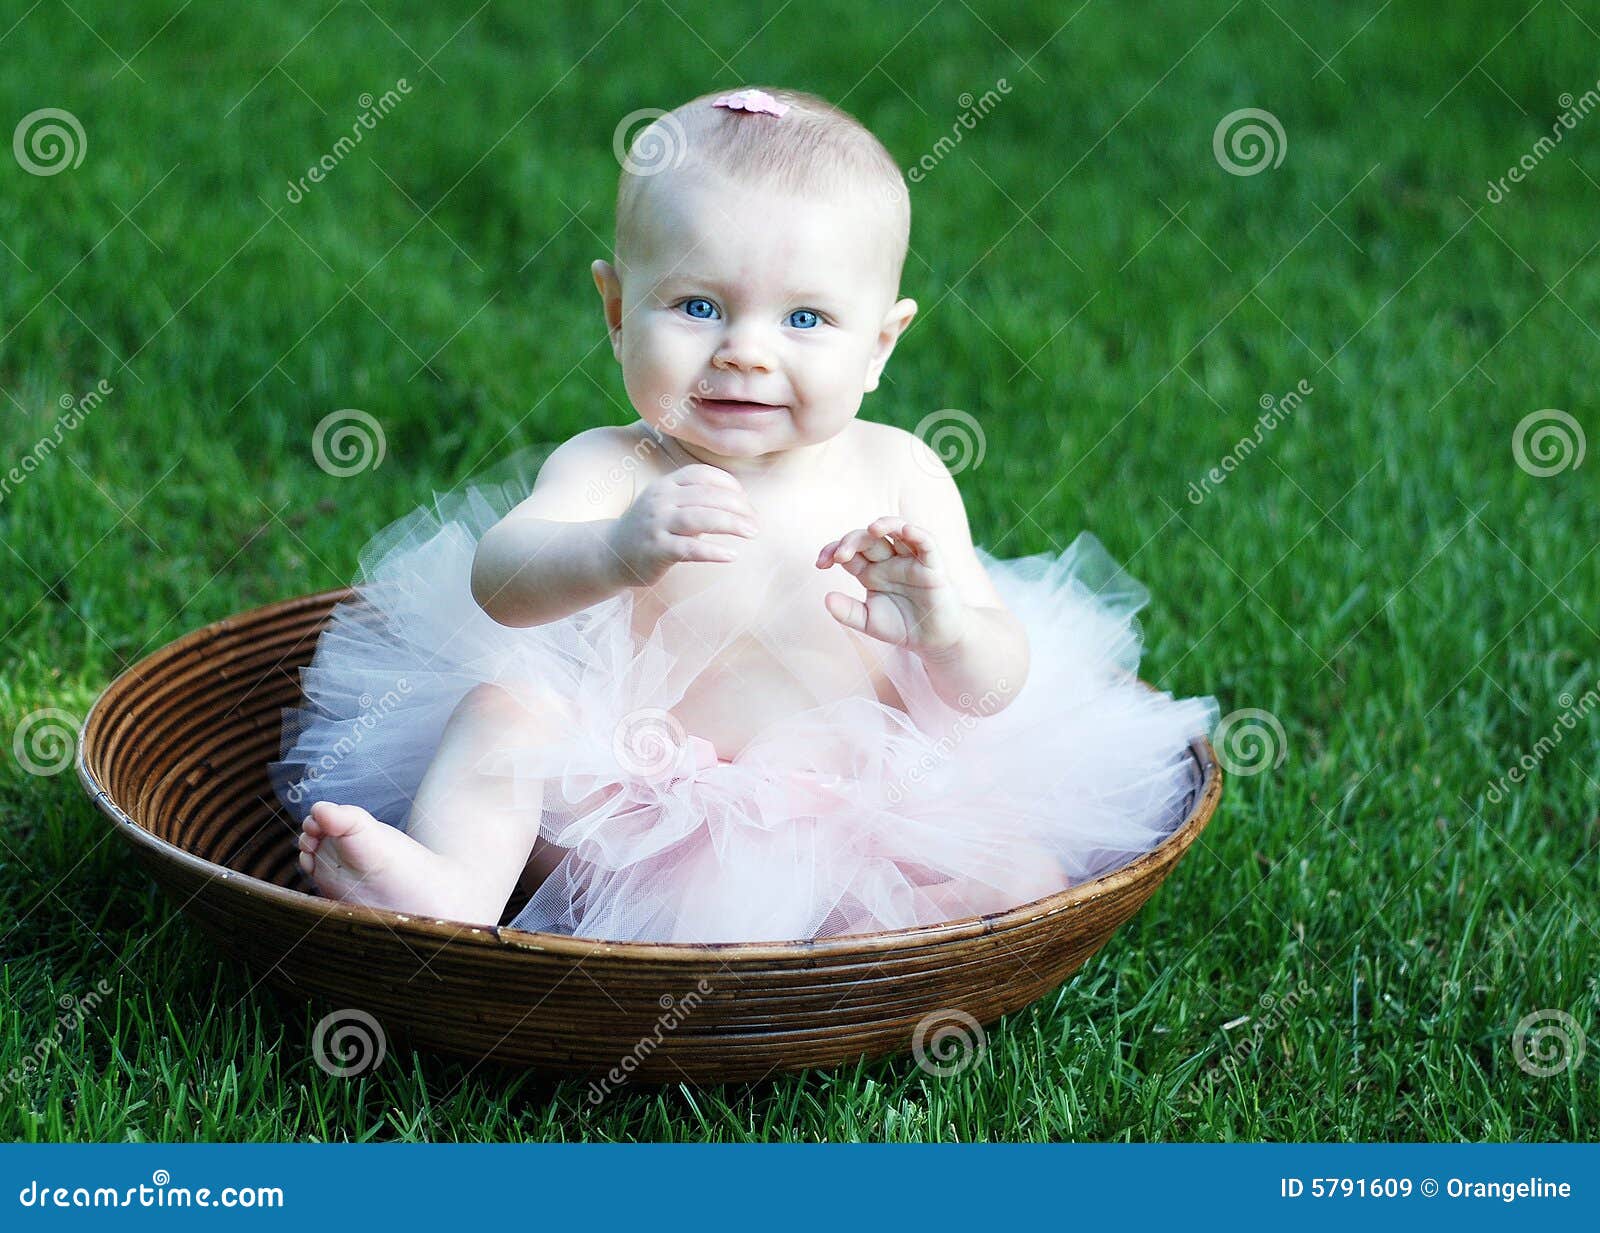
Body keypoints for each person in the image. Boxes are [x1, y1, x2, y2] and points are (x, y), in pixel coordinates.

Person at [268, 86, 1218, 943]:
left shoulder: (901, 470)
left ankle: (871, 950)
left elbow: (991, 685)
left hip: (853, 809)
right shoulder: (617, 463)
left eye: (805, 320)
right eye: (696, 305)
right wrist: (612, 549)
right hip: (626, 803)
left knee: (1025, 880)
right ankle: (453, 889)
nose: (747, 354)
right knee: (501, 711)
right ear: (615, 310)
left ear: (881, 344)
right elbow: (501, 583)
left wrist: (943, 627)